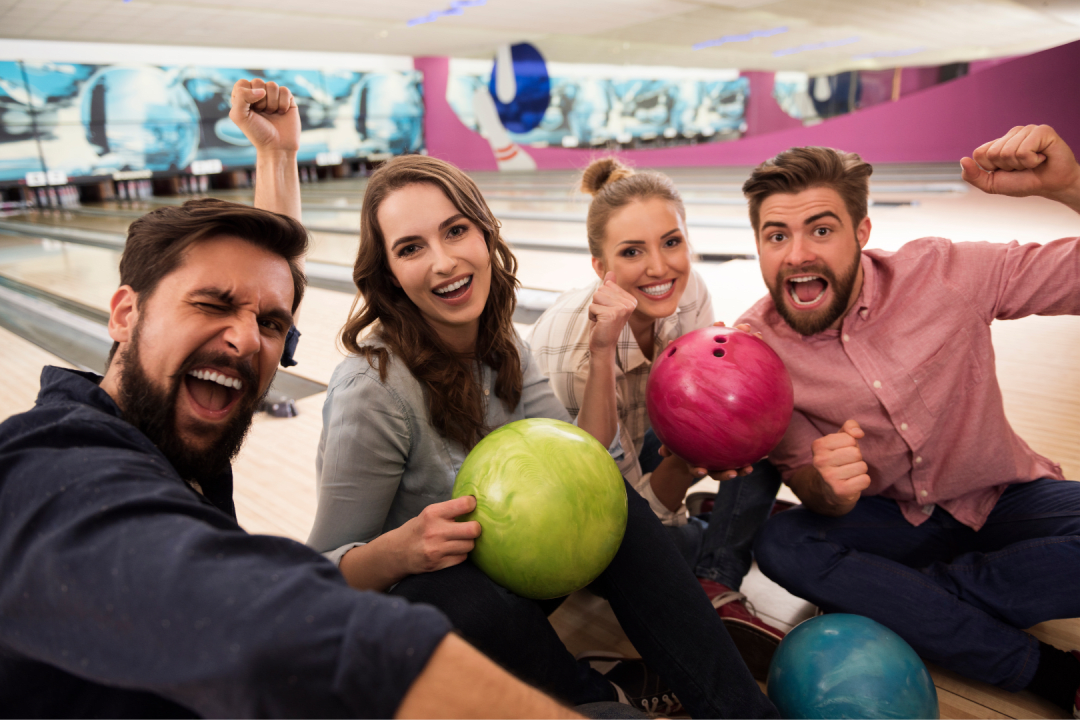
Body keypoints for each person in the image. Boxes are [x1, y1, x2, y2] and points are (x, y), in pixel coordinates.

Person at [230, 77, 779, 719]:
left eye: (455, 231)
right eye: (411, 248)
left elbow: (585, 466)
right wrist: (405, 548)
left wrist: (607, 355)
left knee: (617, 505)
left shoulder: (504, 348)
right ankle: (600, 704)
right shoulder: (372, 389)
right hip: (420, 621)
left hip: (520, 577)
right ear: (390, 274)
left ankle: (740, 711)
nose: (442, 261)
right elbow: (324, 577)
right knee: (462, 591)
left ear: (486, 234)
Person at [0, 194, 611, 719]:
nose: (245, 339)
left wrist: (278, 155)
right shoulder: (49, 468)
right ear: (125, 314)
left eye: (270, 324)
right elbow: (287, 632)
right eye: (211, 304)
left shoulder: (174, 447)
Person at [738, 124, 1080, 716]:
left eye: (821, 229)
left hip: (1003, 494)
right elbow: (808, 489)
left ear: (862, 232)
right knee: (783, 543)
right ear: (759, 244)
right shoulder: (757, 351)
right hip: (892, 519)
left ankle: (919, 599)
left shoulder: (945, 273)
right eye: (777, 235)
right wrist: (828, 488)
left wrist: (1072, 186)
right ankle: (1048, 673)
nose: (797, 254)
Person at [526, 157, 786, 680]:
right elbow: (614, 513)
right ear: (601, 269)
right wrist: (687, 464)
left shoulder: (688, 291)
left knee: (761, 428)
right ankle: (713, 536)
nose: (660, 268)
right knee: (667, 547)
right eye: (631, 252)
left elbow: (714, 399)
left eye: (671, 242)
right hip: (581, 494)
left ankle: (713, 548)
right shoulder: (579, 358)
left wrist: (725, 424)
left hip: (647, 434)